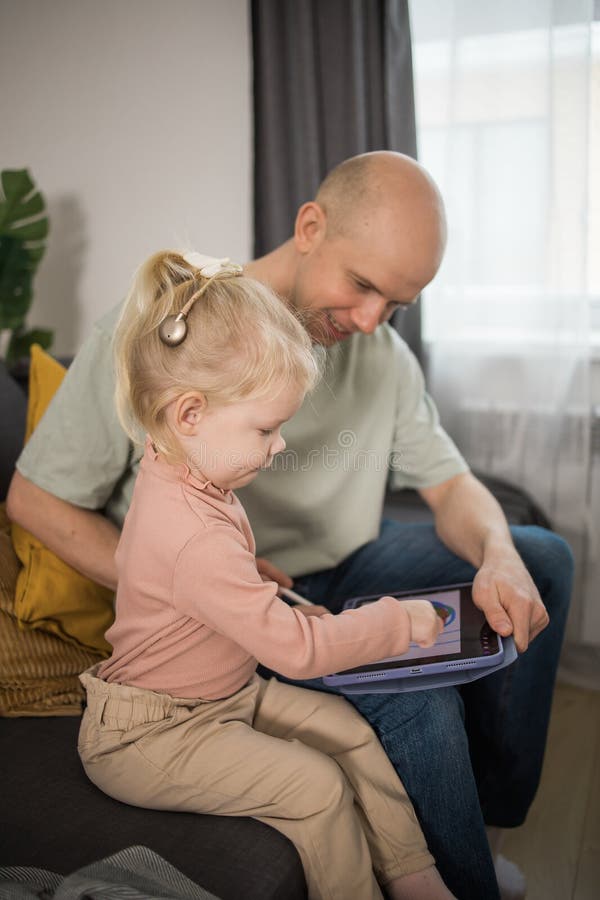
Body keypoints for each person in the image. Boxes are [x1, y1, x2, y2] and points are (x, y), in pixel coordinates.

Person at [7, 152, 573, 900]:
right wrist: (204, 587)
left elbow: (450, 481)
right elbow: (34, 500)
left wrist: (496, 554)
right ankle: (459, 875)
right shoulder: (166, 339)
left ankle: (483, 815)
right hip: (231, 609)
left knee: (541, 557)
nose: (372, 321)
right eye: (363, 285)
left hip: (340, 569)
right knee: (416, 700)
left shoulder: (380, 353)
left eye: (397, 304)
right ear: (311, 226)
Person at [77, 248, 456, 900]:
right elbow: (295, 653)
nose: (278, 445)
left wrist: (259, 585)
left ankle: (416, 880)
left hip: (220, 697)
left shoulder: (175, 460)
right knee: (316, 787)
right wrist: (398, 621)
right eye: (266, 428)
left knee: (352, 734)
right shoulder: (192, 526)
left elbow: (180, 574)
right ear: (190, 413)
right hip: (150, 734)